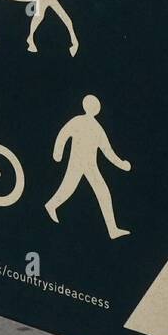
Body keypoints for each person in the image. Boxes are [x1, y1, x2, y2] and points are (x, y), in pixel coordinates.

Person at [45, 95, 132, 239]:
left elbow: (107, 151)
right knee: (68, 188)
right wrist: (58, 153)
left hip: (90, 166)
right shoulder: (80, 122)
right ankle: (51, 205)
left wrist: (122, 164)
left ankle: (112, 229)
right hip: (77, 163)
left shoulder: (97, 128)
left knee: (101, 191)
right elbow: (64, 134)